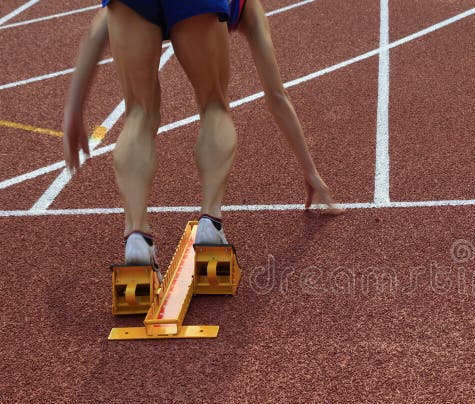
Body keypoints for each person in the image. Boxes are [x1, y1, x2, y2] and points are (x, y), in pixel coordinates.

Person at [63, 0, 342, 267]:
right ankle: (210, 220)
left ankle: (137, 236)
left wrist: (73, 111)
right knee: (214, 106)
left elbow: (97, 31)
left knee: (139, 111)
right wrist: (310, 170)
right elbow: (276, 96)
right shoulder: (249, 7)